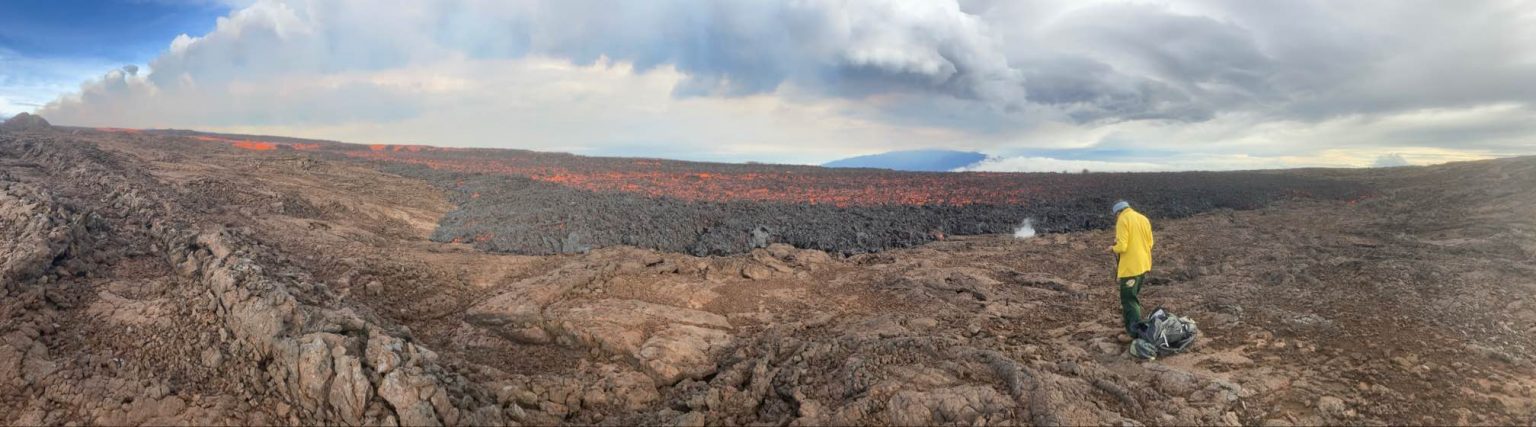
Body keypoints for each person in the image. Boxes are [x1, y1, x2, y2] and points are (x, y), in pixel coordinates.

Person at [1109, 200, 1154, 339]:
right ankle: (1131, 327)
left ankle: (1134, 333)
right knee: (1133, 298)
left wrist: (1112, 248)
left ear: (1118, 212)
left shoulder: (1123, 220)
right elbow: (1150, 243)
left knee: (1129, 299)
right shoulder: (1143, 218)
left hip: (1131, 268)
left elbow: (1122, 246)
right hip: (1143, 264)